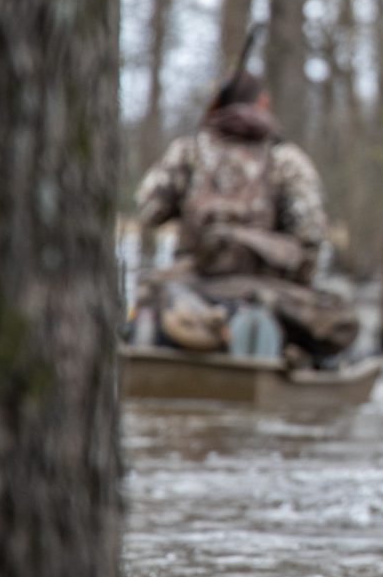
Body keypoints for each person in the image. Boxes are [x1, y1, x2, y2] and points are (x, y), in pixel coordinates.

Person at [131, 70, 357, 361]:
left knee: (148, 296)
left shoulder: (187, 152)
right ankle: (283, 350)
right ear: (262, 103)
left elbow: (148, 210)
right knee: (338, 321)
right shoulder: (286, 160)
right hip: (268, 292)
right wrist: (298, 278)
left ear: (215, 106)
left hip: (190, 281)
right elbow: (311, 235)